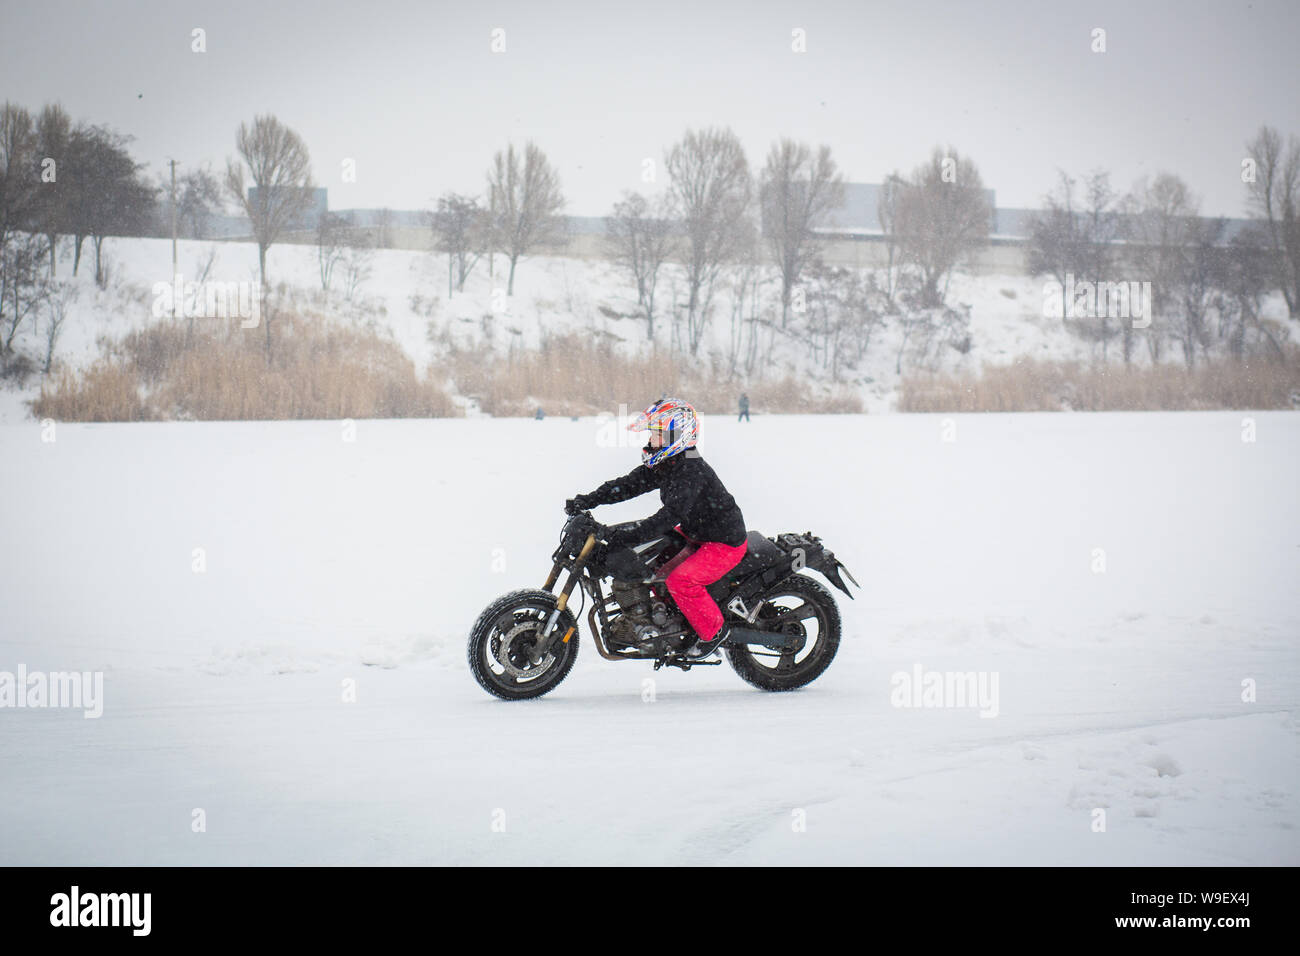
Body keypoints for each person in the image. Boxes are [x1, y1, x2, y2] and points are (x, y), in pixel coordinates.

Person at [565, 398, 747, 658]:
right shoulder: (668, 463)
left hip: (722, 543)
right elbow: (628, 485)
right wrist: (588, 499)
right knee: (649, 564)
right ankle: (668, 620)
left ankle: (714, 634)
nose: (651, 441)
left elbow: (668, 516)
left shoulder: (690, 469)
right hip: (696, 533)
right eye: (652, 434)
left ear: (678, 435)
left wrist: (622, 536)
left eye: (657, 435)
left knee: (681, 581)